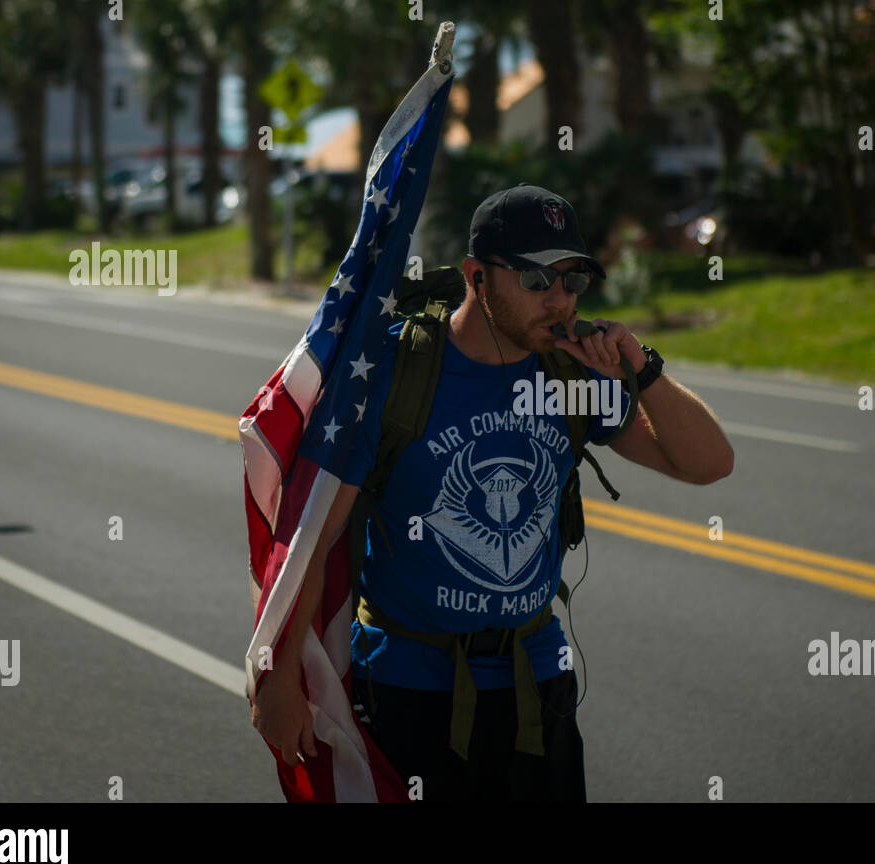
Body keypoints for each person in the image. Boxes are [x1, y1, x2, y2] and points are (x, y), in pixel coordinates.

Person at [251, 184, 734, 802]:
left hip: (537, 685)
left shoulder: (570, 376)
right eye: (536, 280)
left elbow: (708, 465)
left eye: (572, 281)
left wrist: (643, 368)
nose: (558, 301)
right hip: (410, 689)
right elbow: (314, 541)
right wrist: (280, 678)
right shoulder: (398, 373)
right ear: (477, 276)